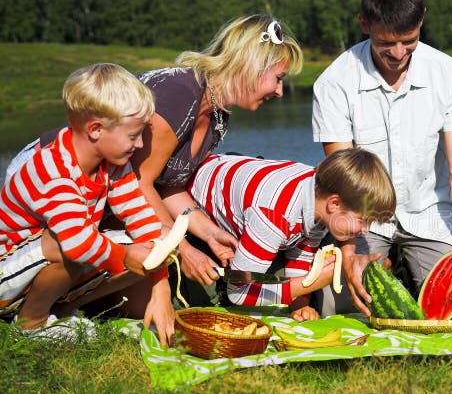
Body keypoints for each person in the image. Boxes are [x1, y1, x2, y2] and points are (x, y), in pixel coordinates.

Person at [5, 15, 304, 292]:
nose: (279, 91)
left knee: (136, 278)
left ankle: (63, 308)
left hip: (107, 199)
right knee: (118, 259)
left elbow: (168, 183)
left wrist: (209, 233)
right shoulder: (180, 94)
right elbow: (138, 181)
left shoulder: (217, 114)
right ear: (251, 67)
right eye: (278, 78)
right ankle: (31, 315)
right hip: (57, 181)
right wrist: (182, 250)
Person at [311, 0, 452, 317]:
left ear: (422, 18)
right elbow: (342, 184)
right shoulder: (332, 84)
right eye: (385, 44)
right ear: (364, 24)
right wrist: (348, 255)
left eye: (408, 42)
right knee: (345, 305)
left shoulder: (450, 75)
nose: (397, 53)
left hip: (431, 214)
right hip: (362, 219)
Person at [0, 63, 174, 345]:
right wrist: (126, 256)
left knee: (158, 239)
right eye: (133, 135)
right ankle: (29, 323)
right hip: (6, 272)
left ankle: (59, 309)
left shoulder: (113, 165)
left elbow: (140, 216)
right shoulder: (53, 170)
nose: (140, 144)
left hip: (35, 273)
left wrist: (161, 285)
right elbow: (76, 242)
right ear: (95, 129)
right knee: (66, 244)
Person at [186, 148, 396, 321]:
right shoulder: (273, 216)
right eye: (363, 220)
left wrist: (299, 304)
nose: (365, 230)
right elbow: (239, 292)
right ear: (335, 203)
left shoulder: (320, 197)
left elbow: (300, 252)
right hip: (190, 198)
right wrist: (315, 281)